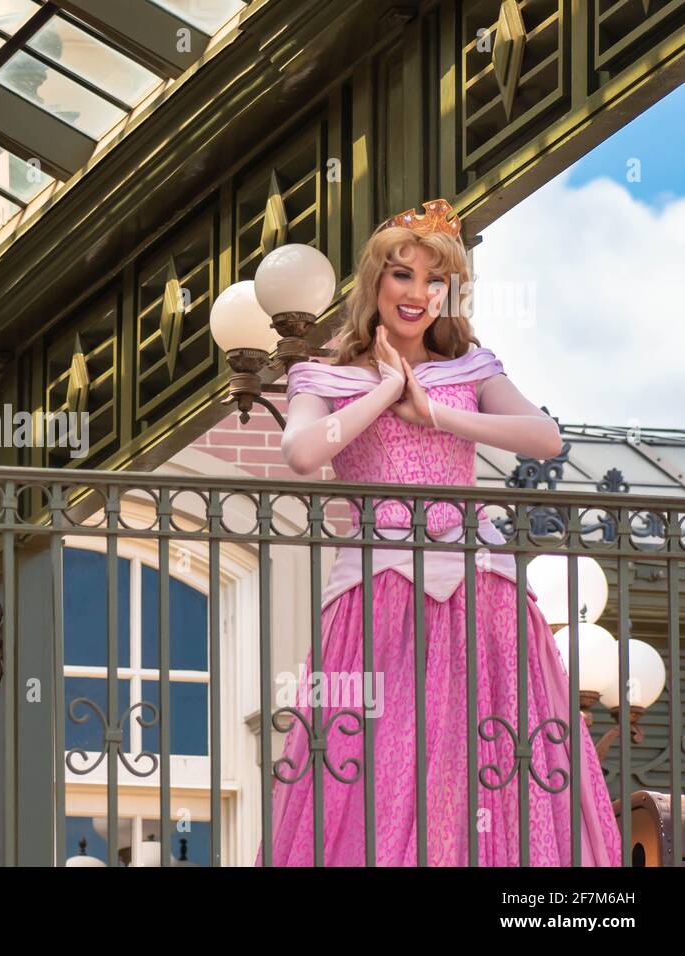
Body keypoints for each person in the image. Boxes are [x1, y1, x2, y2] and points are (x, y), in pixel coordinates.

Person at [256, 199, 621, 865]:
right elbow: (304, 453)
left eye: (435, 280)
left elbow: (544, 437)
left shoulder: (472, 369)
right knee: (381, 759)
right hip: (378, 590)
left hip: (482, 592)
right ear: (376, 282)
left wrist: (438, 417)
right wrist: (382, 391)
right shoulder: (322, 374)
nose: (417, 293)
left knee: (485, 757)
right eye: (402, 274)